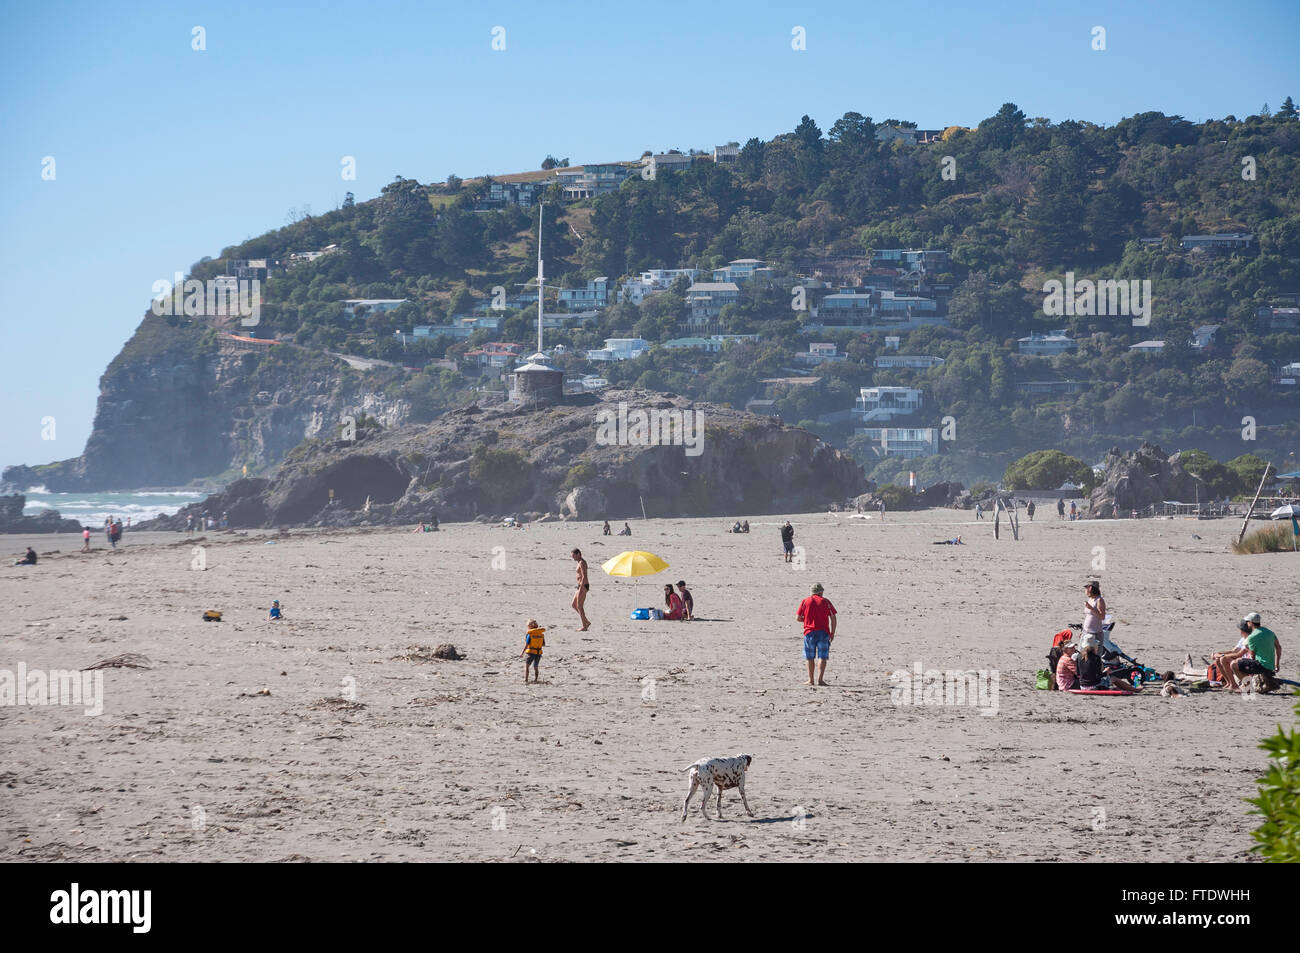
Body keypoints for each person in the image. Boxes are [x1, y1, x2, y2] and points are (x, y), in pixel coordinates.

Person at [796, 583, 837, 686]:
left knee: (809, 657)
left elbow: (797, 618)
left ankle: (811, 680)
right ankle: (820, 679)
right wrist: (832, 632)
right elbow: (833, 618)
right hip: (823, 632)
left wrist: (807, 621)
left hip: (809, 632)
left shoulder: (805, 601)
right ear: (821, 592)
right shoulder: (825, 601)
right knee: (822, 656)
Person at [1232, 612, 1282, 692]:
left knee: (1234, 664)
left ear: (1251, 623)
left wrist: (1252, 672)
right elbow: (1278, 647)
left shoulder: (1252, 636)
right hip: (1271, 666)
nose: (1247, 624)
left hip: (1261, 666)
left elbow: (1252, 656)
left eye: (1247, 622)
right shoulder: (1270, 632)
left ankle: (1247, 686)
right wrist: (1277, 664)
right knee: (1239, 661)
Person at [1079, 582, 1108, 652]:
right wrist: (1083, 631)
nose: (1085, 590)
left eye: (1087, 588)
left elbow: (1102, 617)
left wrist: (1091, 608)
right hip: (1086, 631)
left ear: (1091, 589)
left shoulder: (1099, 600)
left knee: (1095, 654)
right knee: (1081, 652)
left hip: (1095, 632)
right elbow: (1088, 617)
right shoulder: (1090, 599)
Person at [570, 548, 591, 631]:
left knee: (579, 606)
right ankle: (586, 621)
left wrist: (582, 588)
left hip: (583, 585)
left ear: (578, 554)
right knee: (573, 605)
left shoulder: (582, 563)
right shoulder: (579, 562)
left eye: (573, 556)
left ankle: (584, 626)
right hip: (579, 586)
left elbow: (584, 576)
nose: (573, 558)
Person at [520, 619, 545, 684]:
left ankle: (526, 680)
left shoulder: (530, 634)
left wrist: (522, 653)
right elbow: (543, 644)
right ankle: (536, 679)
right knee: (536, 667)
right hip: (539, 652)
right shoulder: (541, 634)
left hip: (531, 652)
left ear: (530, 626)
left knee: (527, 666)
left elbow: (526, 644)